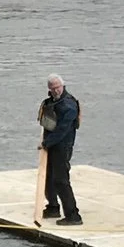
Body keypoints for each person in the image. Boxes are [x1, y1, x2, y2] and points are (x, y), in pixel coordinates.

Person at [37, 73, 82, 225]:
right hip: (51, 145)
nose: (56, 90)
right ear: (49, 89)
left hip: (62, 147)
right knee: (48, 177)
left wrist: (46, 143)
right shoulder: (50, 102)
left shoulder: (69, 105)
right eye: (53, 88)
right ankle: (53, 207)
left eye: (58, 87)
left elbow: (62, 130)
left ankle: (73, 215)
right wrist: (46, 142)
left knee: (61, 180)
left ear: (63, 86)